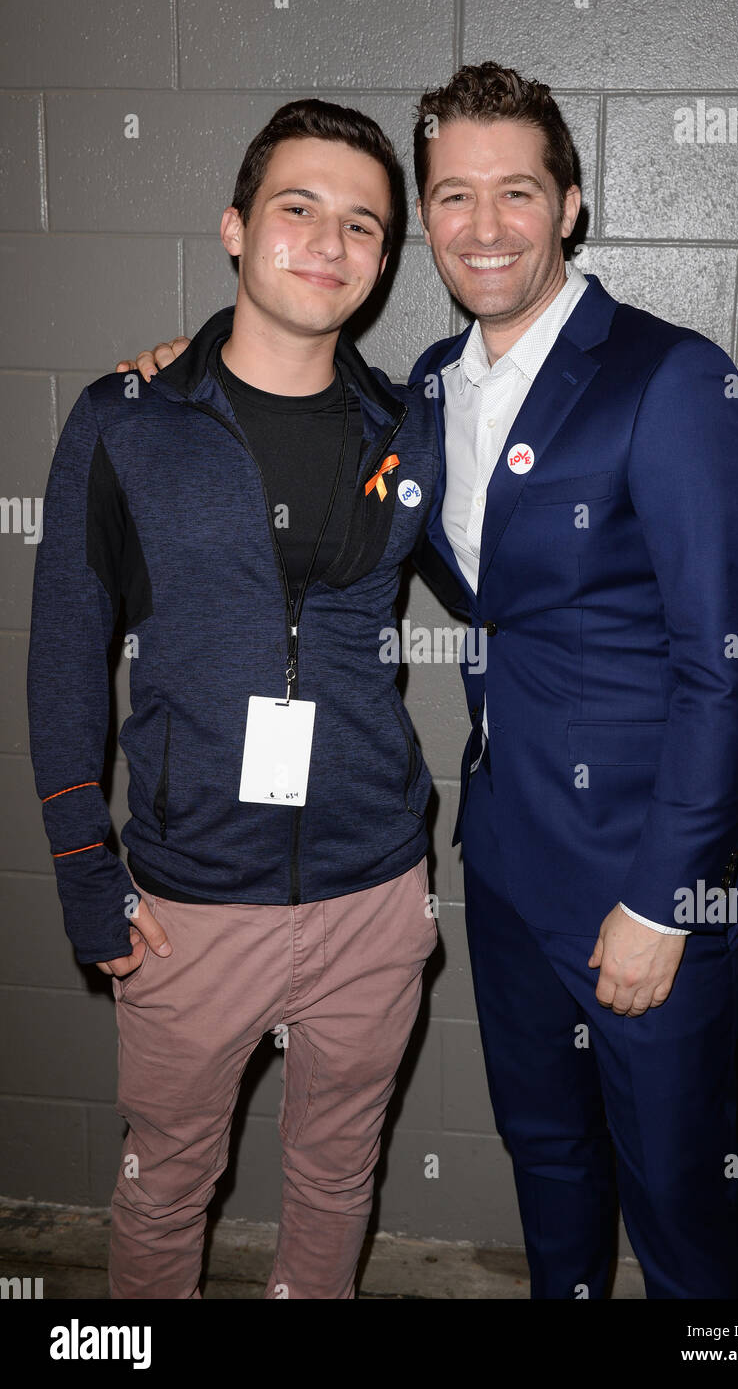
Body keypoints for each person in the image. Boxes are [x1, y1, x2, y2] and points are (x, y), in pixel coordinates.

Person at [121, 61, 738, 1300]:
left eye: (516, 193)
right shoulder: (426, 388)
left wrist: (662, 902)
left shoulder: (670, 380)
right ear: (427, 217)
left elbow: (728, 672)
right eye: (453, 197)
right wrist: (190, 364)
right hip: (510, 864)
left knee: (685, 1205)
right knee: (551, 1174)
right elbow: (308, 427)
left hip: (650, 881)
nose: (483, 227)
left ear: (570, 206)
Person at [27, 98, 440, 1300]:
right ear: (233, 227)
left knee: (335, 1177)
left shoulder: (408, 428)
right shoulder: (127, 420)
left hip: (374, 890)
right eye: (297, 208)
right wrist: (81, 869)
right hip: (188, 906)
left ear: (380, 261)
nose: (328, 240)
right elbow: (63, 657)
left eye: (361, 224)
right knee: (164, 1184)